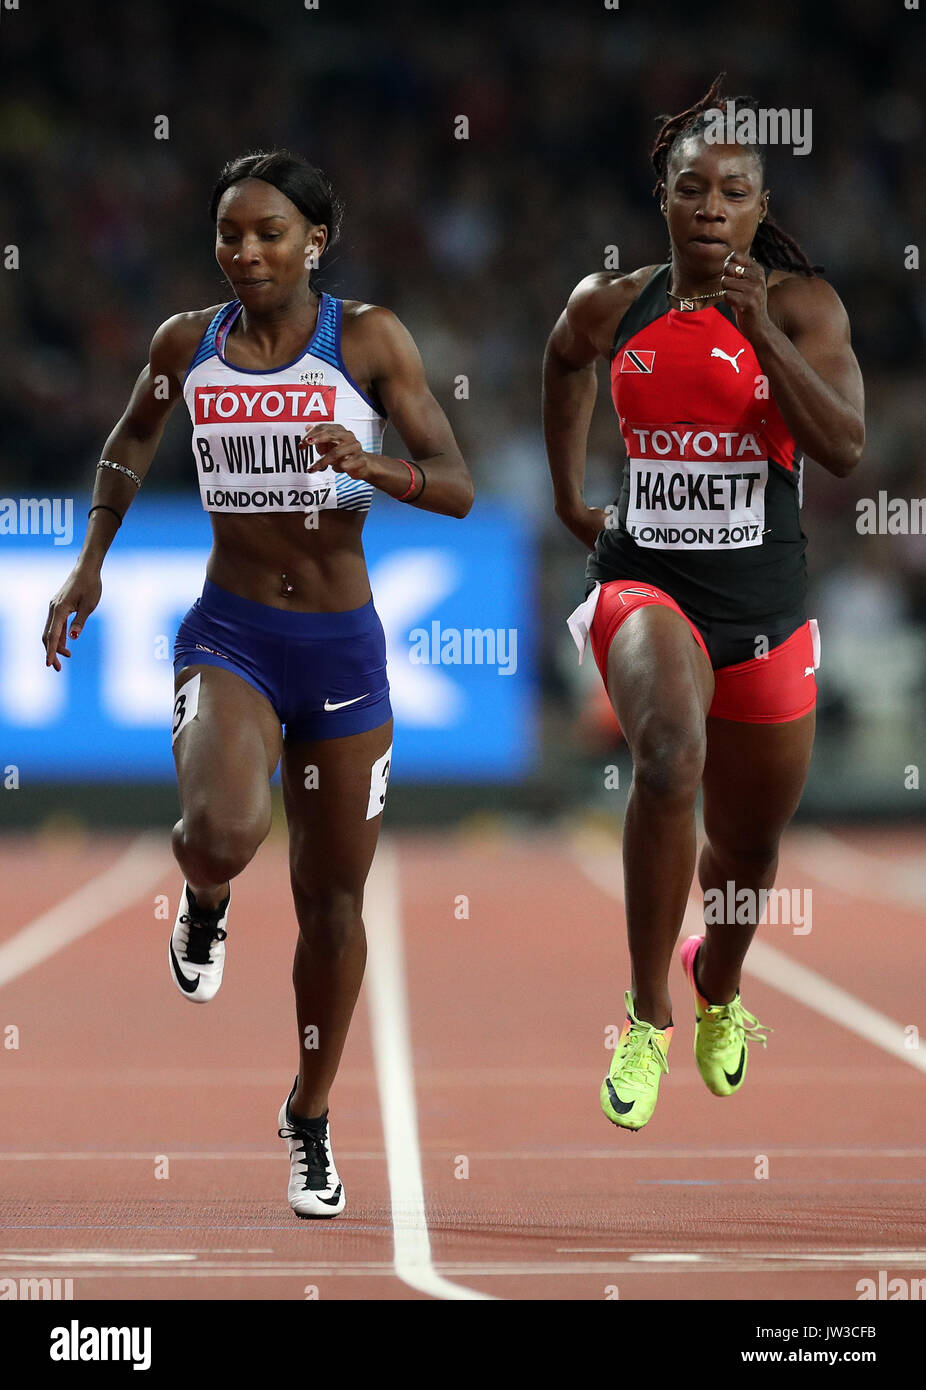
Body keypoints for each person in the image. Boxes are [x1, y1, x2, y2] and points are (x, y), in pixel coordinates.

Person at [43, 150, 473, 1212]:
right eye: (228, 233)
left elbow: (458, 485)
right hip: (229, 633)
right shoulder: (185, 343)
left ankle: (310, 1116)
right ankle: (202, 899)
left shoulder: (368, 340)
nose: (243, 251)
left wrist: (373, 465)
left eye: (267, 233)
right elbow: (131, 437)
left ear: (314, 242)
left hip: (340, 652)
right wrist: (90, 561)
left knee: (332, 903)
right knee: (219, 833)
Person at [542, 77, 864, 1130]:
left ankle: (713, 979)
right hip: (646, 583)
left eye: (732, 191)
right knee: (669, 753)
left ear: (758, 208)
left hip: (764, 607)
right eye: (692, 190)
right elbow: (563, 359)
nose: (711, 207)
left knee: (750, 848)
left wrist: (759, 331)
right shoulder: (613, 302)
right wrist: (567, 496)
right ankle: (644, 1014)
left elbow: (843, 448)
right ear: (664, 201)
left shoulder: (805, 307)